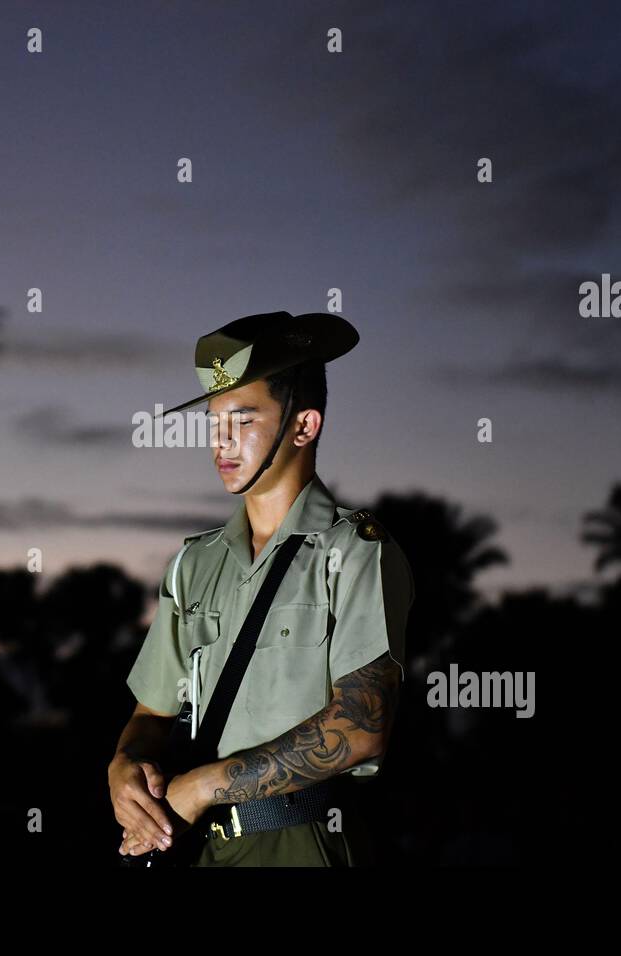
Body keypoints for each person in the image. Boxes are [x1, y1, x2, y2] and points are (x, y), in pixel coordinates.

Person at [107, 310, 414, 866]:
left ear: (303, 426)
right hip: (194, 845)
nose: (220, 443)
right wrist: (123, 767)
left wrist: (201, 787)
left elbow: (362, 727)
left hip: (297, 842)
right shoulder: (192, 563)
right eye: (213, 422)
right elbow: (152, 713)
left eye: (242, 421)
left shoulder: (355, 552)